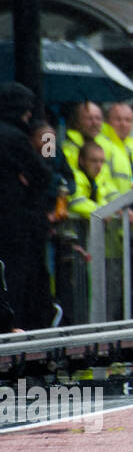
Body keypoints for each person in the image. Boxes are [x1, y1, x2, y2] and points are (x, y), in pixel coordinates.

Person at [0, 83, 58, 331]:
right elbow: (46, 175)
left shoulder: (44, 135)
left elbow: (51, 171)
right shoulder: (23, 136)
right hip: (22, 221)